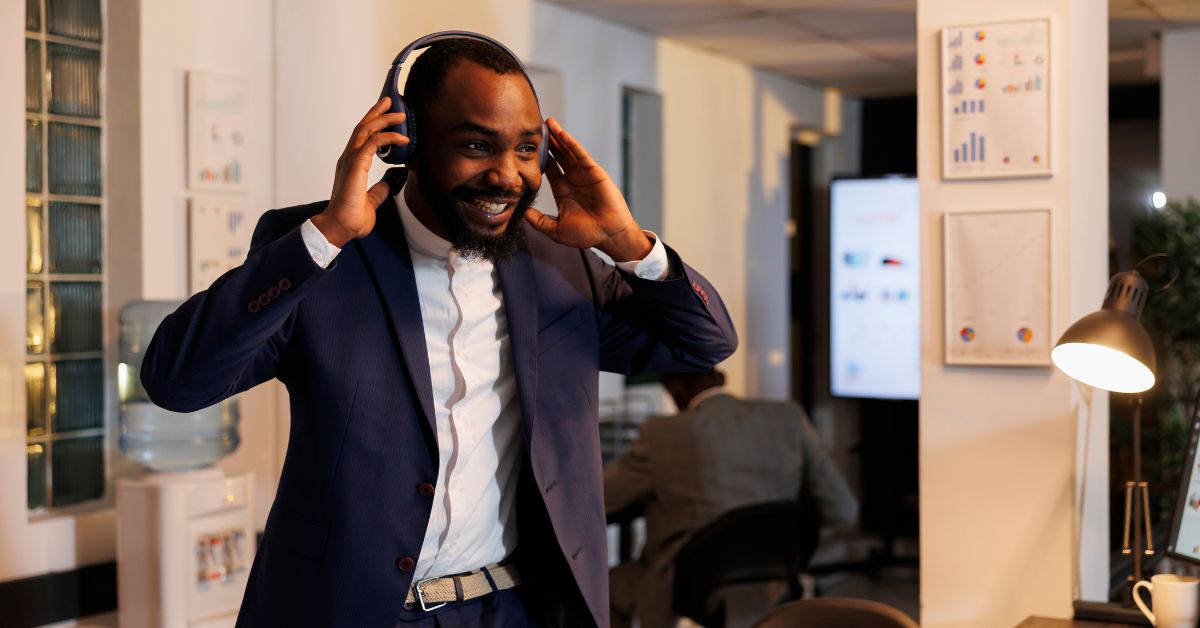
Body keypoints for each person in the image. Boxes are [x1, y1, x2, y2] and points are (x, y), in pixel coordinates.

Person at [140, 33, 736, 628]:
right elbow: (177, 382)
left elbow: (702, 342)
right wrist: (325, 237)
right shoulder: (320, 252)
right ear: (409, 144)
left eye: (527, 149)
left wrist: (628, 245)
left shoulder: (561, 264)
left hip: (512, 610)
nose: (507, 175)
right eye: (477, 145)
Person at [604, 369, 858, 628]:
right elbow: (843, 510)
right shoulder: (788, 417)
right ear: (719, 379)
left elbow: (602, 499)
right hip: (777, 579)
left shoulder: (661, 433)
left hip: (691, 584)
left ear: (674, 388)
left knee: (604, 589)